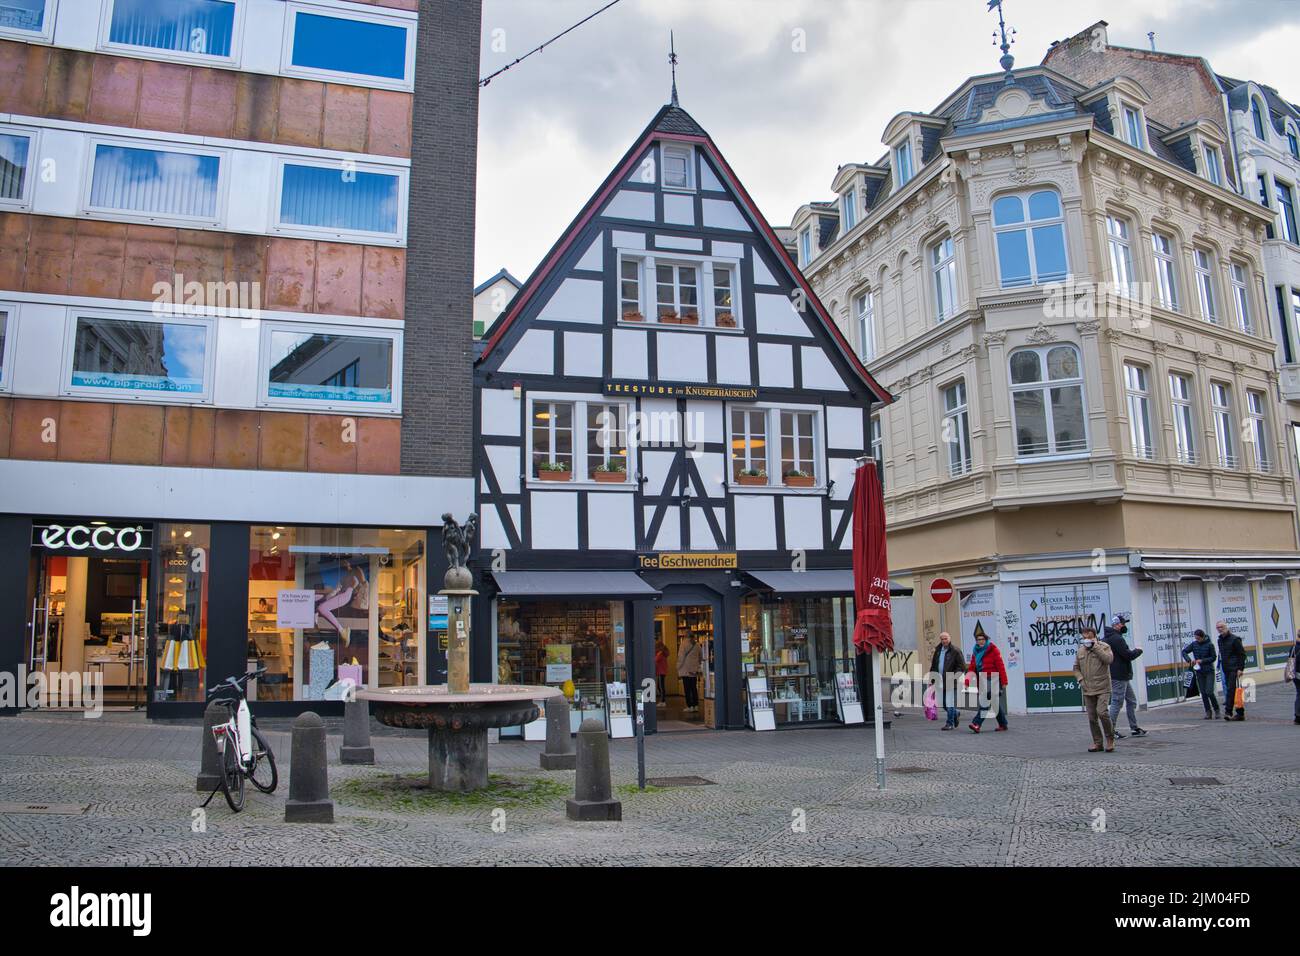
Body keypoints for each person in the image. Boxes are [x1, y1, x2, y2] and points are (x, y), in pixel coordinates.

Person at [1074, 626, 1116, 752]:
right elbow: (1076, 668)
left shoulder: (1104, 647)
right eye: (1083, 636)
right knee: (1092, 717)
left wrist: (1095, 646)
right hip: (1087, 688)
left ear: (1093, 635)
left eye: (1087, 636)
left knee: (1102, 713)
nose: (1085, 639)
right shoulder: (1080, 651)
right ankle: (1098, 742)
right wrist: (1080, 679)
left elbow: (1109, 660)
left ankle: (1110, 739)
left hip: (1103, 687)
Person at [1103, 614, 1145, 738]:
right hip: (1119, 675)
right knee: (1117, 701)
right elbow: (1127, 655)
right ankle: (1110, 730)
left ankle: (1134, 728)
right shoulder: (1117, 639)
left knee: (1131, 701)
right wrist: (1138, 651)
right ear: (1117, 625)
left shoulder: (1107, 638)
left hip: (1120, 675)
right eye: (1123, 623)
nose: (1124, 626)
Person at [964, 631, 1008, 733]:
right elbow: (972, 668)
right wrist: (967, 682)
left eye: (982, 639)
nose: (981, 641)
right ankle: (1003, 724)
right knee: (994, 703)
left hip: (993, 679)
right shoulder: (976, 652)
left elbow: (1000, 666)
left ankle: (976, 724)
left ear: (986, 639)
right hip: (983, 679)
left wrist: (1004, 681)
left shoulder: (993, 650)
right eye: (978, 640)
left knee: (985, 702)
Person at [929, 631, 966, 730]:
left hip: (950, 680)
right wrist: (932, 678)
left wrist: (954, 676)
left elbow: (962, 666)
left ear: (949, 638)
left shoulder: (955, 651)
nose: (944, 641)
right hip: (940, 681)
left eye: (946, 638)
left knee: (949, 703)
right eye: (942, 639)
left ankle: (949, 724)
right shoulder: (937, 650)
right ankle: (956, 713)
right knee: (944, 704)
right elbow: (934, 665)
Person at [1182, 629, 1219, 719]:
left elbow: (1213, 657)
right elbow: (1184, 651)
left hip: (1209, 670)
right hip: (1199, 671)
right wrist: (1189, 660)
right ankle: (1208, 711)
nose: (1197, 640)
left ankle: (1217, 710)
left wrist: (1202, 661)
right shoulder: (1194, 644)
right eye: (1196, 638)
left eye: (1198, 638)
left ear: (1203, 637)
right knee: (1203, 692)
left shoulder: (1210, 645)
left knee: (1209, 691)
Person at [1215, 620, 1247, 721]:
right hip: (1226, 668)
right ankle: (1240, 713)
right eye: (1218, 628)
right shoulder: (1219, 640)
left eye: (1221, 627)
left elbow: (1242, 654)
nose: (1220, 629)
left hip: (1234, 668)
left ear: (1226, 627)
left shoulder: (1235, 639)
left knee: (1231, 690)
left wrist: (1240, 668)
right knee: (1234, 690)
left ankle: (1228, 712)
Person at [676, 633, 702, 714]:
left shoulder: (683, 644)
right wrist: (697, 664)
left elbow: (681, 657)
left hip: (686, 669)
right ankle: (696, 705)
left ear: (685, 636)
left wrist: (678, 667)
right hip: (693, 669)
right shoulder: (697, 645)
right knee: (694, 688)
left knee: (687, 689)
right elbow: (700, 656)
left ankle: (689, 706)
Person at [1286, 630, 1300, 725]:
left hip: (1296, 675)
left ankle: (1297, 716)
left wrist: (1290, 674)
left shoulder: (1294, 647)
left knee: (1299, 693)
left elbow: (1291, 661)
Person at [654, 637, 669, 701]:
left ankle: (663, 700)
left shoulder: (660, 653)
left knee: (661, 687)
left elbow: (656, 660)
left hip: (661, 671)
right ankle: (662, 699)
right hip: (662, 671)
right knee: (660, 686)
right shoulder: (663, 653)